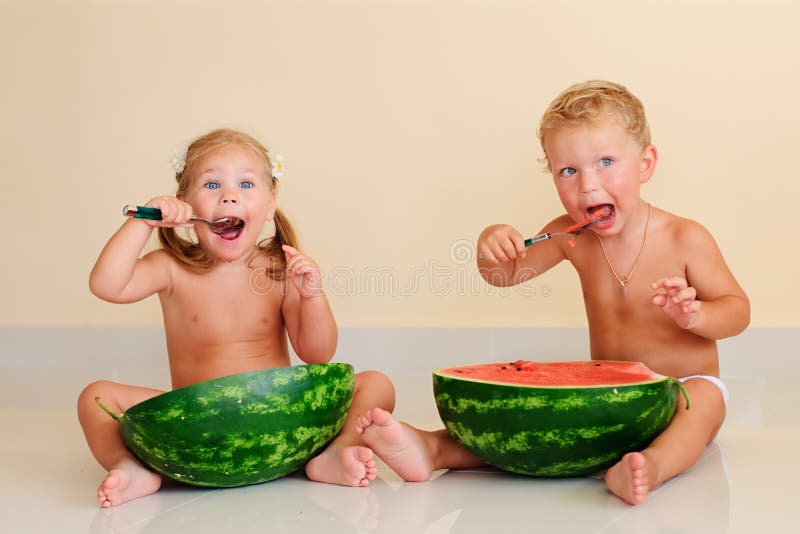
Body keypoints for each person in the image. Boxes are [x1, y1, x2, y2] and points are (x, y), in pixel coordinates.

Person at [356, 80, 750, 505]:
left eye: (606, 161)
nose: (587, 185)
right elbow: (504, 276)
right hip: (610, 396)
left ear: (646, 164)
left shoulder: (684, 237)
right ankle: (434, 449)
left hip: (684, 385)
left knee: (705, 403)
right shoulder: (567, 234)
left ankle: (651, 468)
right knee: (542, 426)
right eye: (568, 170)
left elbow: (738, 310)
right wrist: (492, 245)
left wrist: (695, 316)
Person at [78, 128, 395, 508]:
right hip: (200, 427)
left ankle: (333, 453)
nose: (229, 195)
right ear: (185, 204)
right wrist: (143, 221)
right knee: (94, 397)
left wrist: (312, 297)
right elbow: (106, 285)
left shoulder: (281, 269)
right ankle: (130, 468)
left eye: (246, 183)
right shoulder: (170, 268)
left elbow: (317, 355)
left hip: (284, 421)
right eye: (212, 184)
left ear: (271, 204)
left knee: (376, 384)